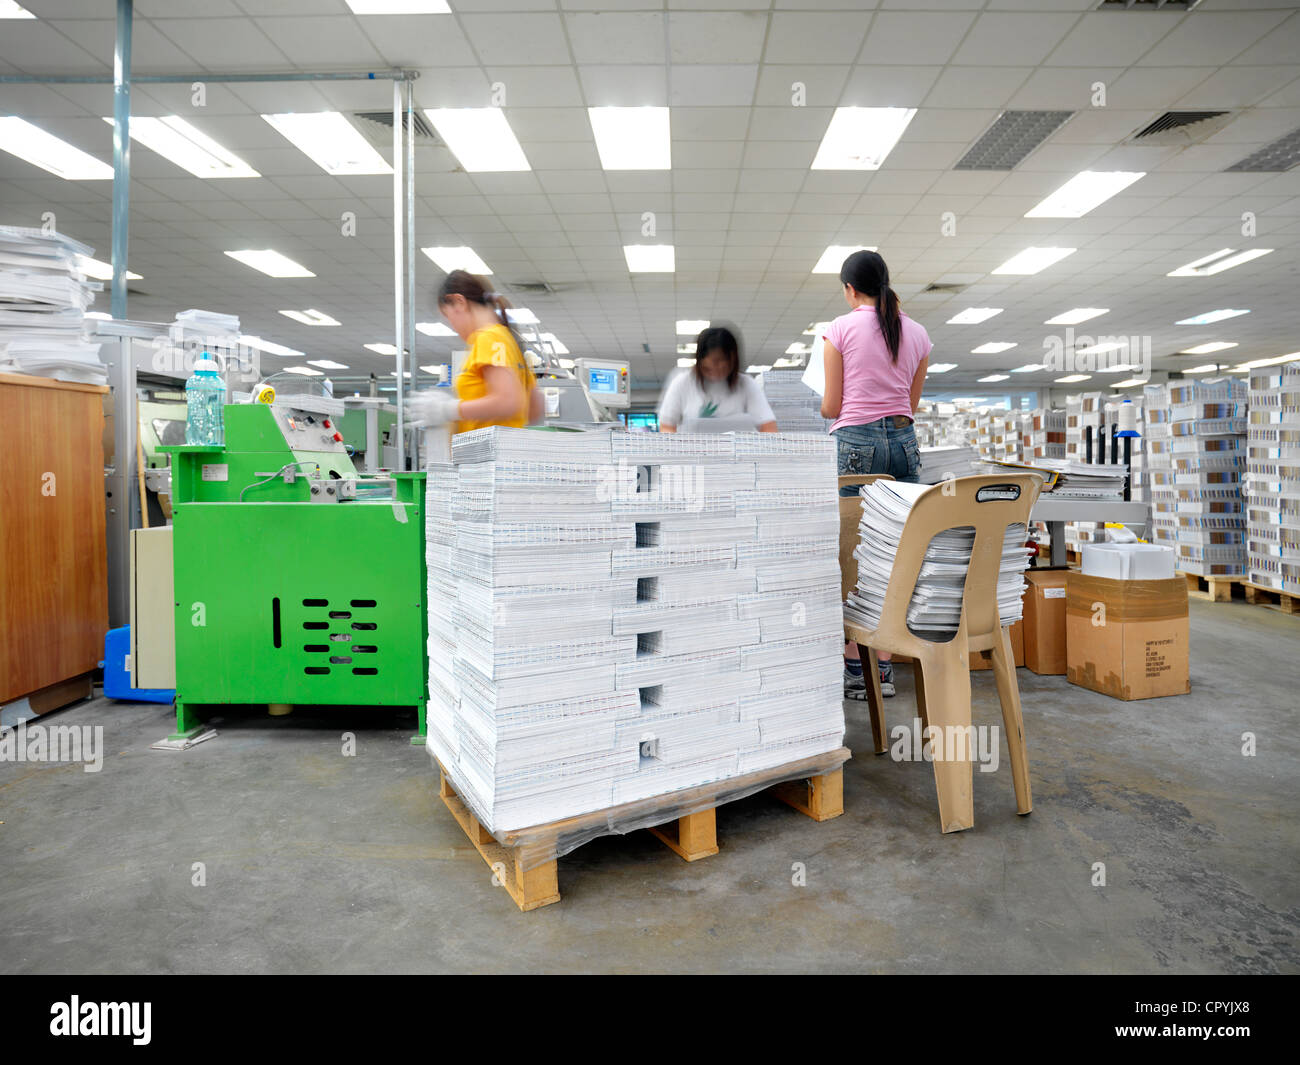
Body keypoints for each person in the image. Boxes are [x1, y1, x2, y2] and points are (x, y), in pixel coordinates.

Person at [821, 249, 931, 700]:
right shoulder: (919, 333)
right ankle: (884, 671)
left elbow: (831, 406)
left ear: (850, 289)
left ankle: (854, 669)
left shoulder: (840, 328)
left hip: (856, 446)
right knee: (895, 555)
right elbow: (912, 403)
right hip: (904, 445)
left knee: (853, 557)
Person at [410, 270, 543, 432]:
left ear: (459, 302)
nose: (452, 325)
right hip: (498, 450)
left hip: (489, 453)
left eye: (448, 315)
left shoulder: (489, 337)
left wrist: (447, 409)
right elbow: (534, 410)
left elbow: (509, 401)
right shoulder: (509, 340)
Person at [658, 325, 778, 433]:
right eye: (708, 369)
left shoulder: (746, 384)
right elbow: (667, 426)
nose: (716, 375)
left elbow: (768, 426)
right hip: (693, 453)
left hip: (736, 455)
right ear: (699, 362)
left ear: (733, 362)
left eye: (723, 368)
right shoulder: (682, 383)